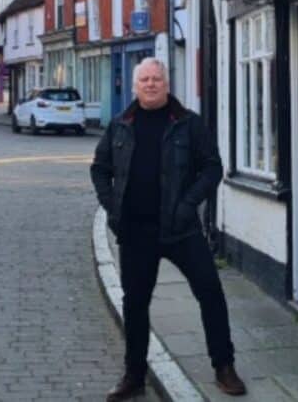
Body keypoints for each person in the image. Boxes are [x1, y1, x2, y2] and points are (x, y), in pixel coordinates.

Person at [91, 58, 246, 401]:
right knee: (135, 304)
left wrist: (188, 204)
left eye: (156, 79)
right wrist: (113, 209)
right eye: (144, 80)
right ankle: (134, 376)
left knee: (210, 292)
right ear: (135, 86)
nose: (150, 84)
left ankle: (224, 365)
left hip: (181, 229)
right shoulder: (120, 125)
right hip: (135, 232)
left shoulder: (189, 124)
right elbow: (99, 169)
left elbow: (212, 168)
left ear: (166, 83)